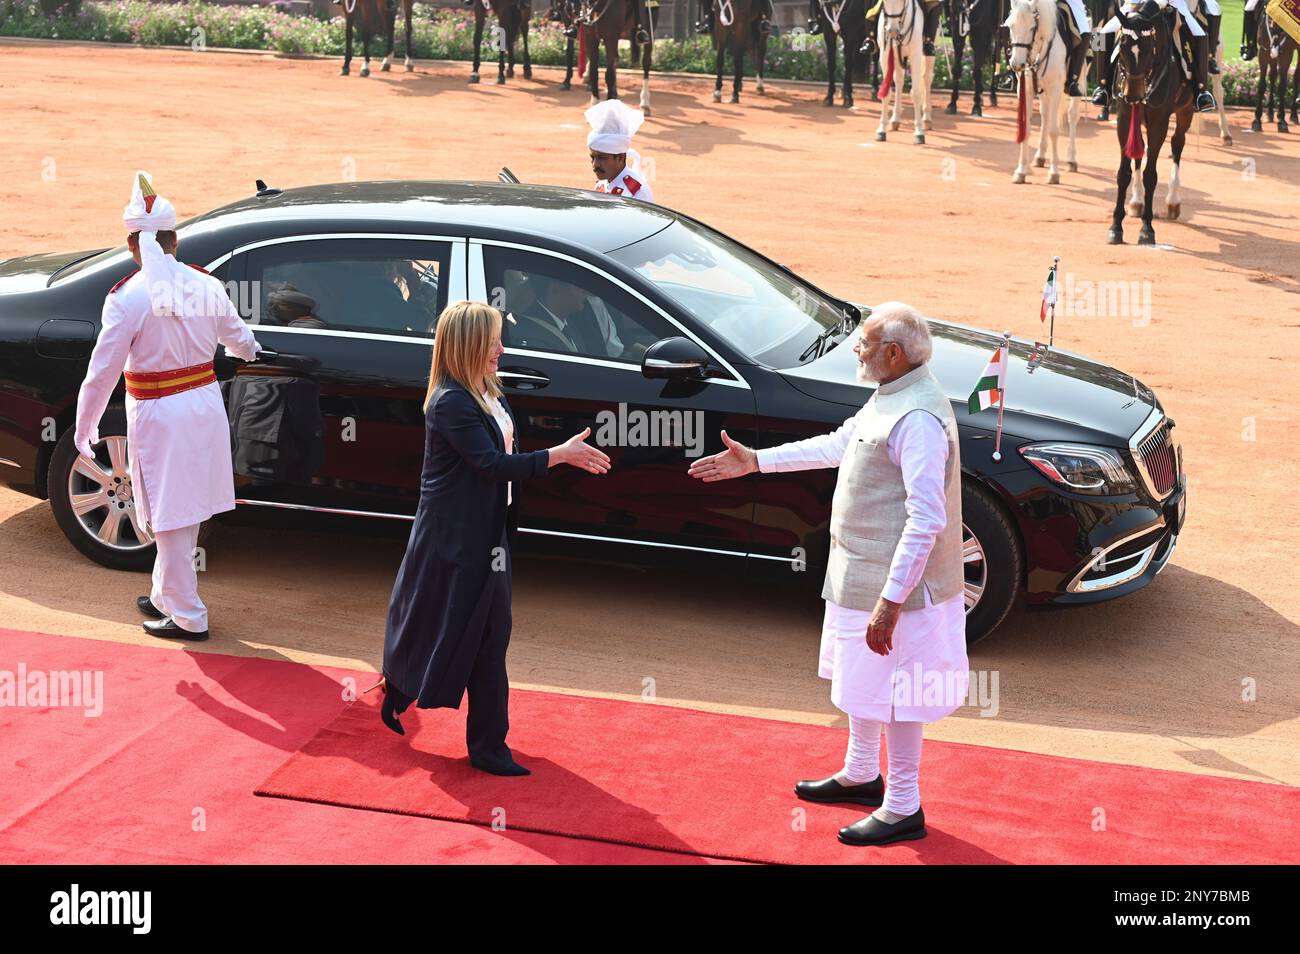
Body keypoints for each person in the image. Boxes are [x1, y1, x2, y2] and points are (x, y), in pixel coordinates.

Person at [688, 303, 968, 846]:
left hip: (900, 591)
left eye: (865, 344)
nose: (856, 351)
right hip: (860, 574)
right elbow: (839, 445)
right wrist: (758, 461)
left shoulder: (918, 419)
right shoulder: (892, 396)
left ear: (893, 353)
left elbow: (927, 518)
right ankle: (862, 773)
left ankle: (903, 805)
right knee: (865, 683)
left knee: (899, 697)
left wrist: (891, 600)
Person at [378, 301, 611, 776]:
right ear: (468, 347)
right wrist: (559, 455)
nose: (502, 349)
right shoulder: (451, 403)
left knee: (486, 633)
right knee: (447, 627)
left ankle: (480, 740)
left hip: (488, 535)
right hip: (454, 541)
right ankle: (435, 712)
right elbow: (490, 465)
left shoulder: (489, 392)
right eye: (493, 343)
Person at [73, 172, 264, 641]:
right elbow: (240, 341)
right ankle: (164, 593)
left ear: (133, 246)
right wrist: (253, 353)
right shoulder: (207, 284)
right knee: (180, 510)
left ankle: (187, 614)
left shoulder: (125, 298)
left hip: (161, 413)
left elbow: (103, 372)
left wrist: (84, 426)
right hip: (202, 406)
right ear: (175, 240)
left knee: (172, 516)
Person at [586, 99, 655, 202]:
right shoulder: (601, 185)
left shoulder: (638, 193)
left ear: (620, 157)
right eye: (592, 157)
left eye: (601, 158)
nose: (595, 164)